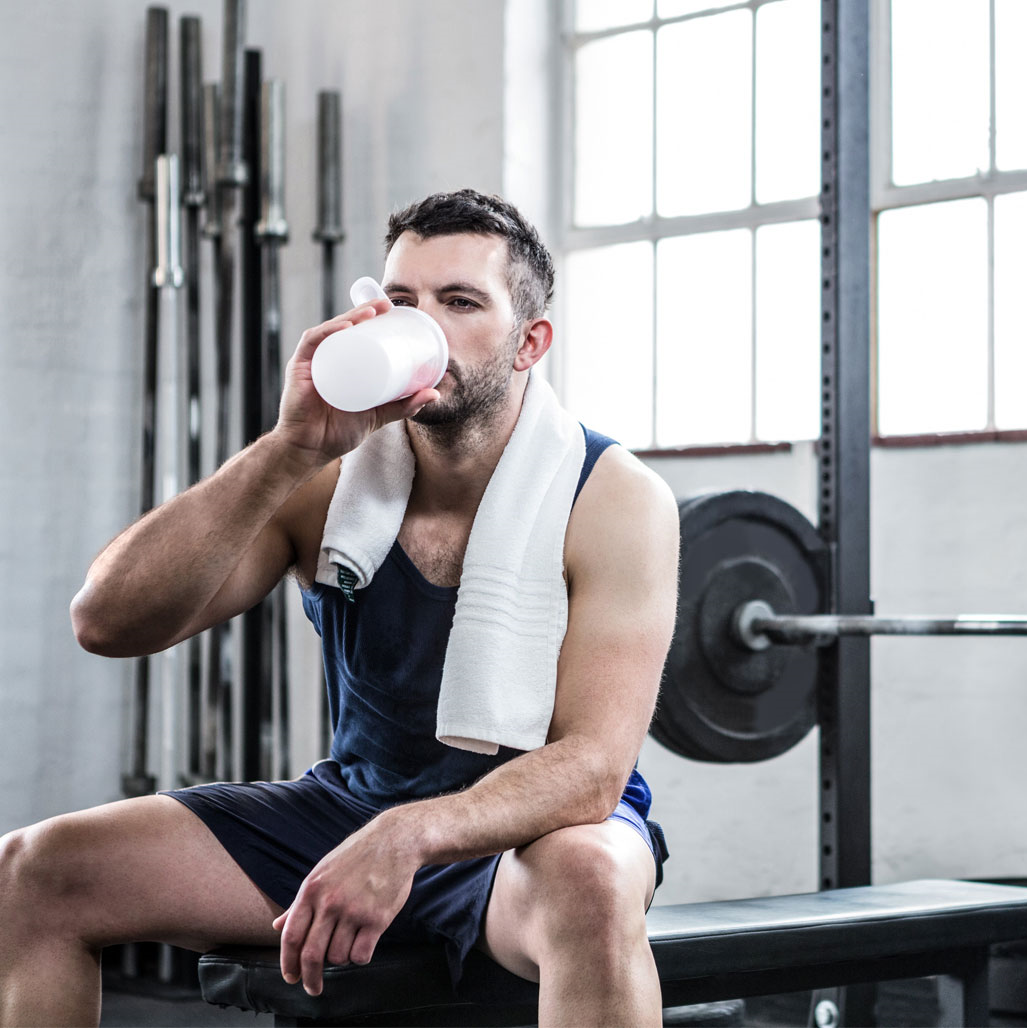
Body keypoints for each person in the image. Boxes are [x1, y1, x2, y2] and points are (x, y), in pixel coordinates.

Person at [0, 189, 680, 1027]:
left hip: (529, 838)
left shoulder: (615, 498)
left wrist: (410, 835)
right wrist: (288, 448)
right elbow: (106, 623)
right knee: (33, 870)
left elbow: (594, 767)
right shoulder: (327, 479)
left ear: (527, 342)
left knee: (594, 881)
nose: (421, 323)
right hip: (351, 808)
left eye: (459, 302)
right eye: (400, 303)